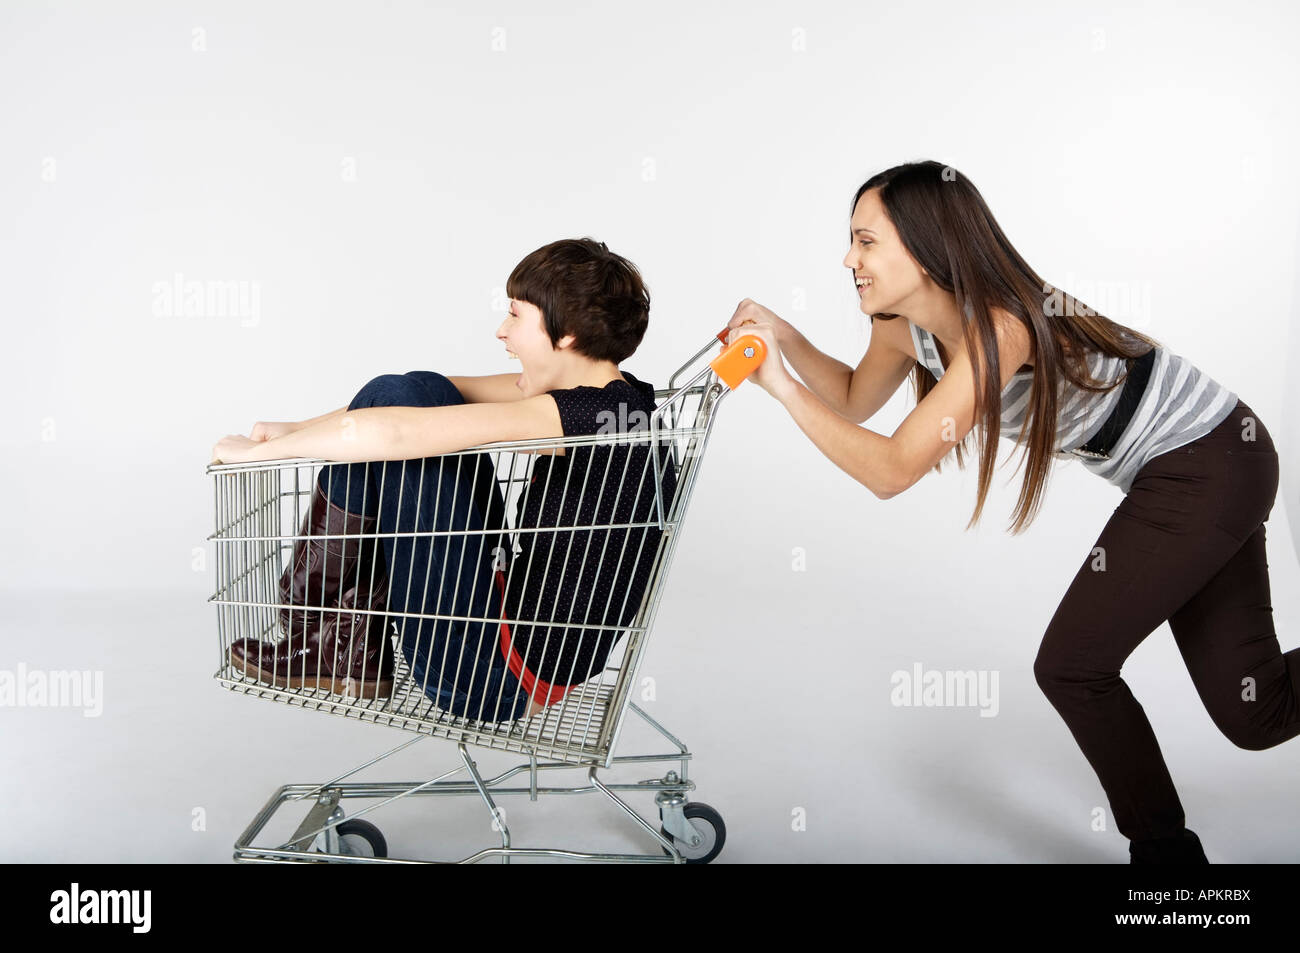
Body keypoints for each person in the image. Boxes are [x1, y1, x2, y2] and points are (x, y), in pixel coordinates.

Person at [724, 160, 1297, 864]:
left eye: (866, 241)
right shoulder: (903, 325)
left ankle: (1168, 862)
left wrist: (780, 388)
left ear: (926, 244)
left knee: (1071, 665)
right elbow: (849, 399)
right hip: (1183, 471)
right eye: (851, 241)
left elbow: (895, 467)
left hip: (1211, 460)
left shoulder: (1002, 326)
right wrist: (784, 339)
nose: (850, 259)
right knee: (1256, 711)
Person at [210, 238, 678, 723]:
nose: (502, 331)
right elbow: (418, 397)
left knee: (400, 407)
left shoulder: (595, 415)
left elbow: (395, 429)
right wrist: (300, 427)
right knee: (420, 389)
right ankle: (334, 633)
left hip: (488, 675)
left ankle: (316, 624)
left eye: (516, 316)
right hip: (503, 626)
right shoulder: (621, 401)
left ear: (568, 335)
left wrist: (263, 453)